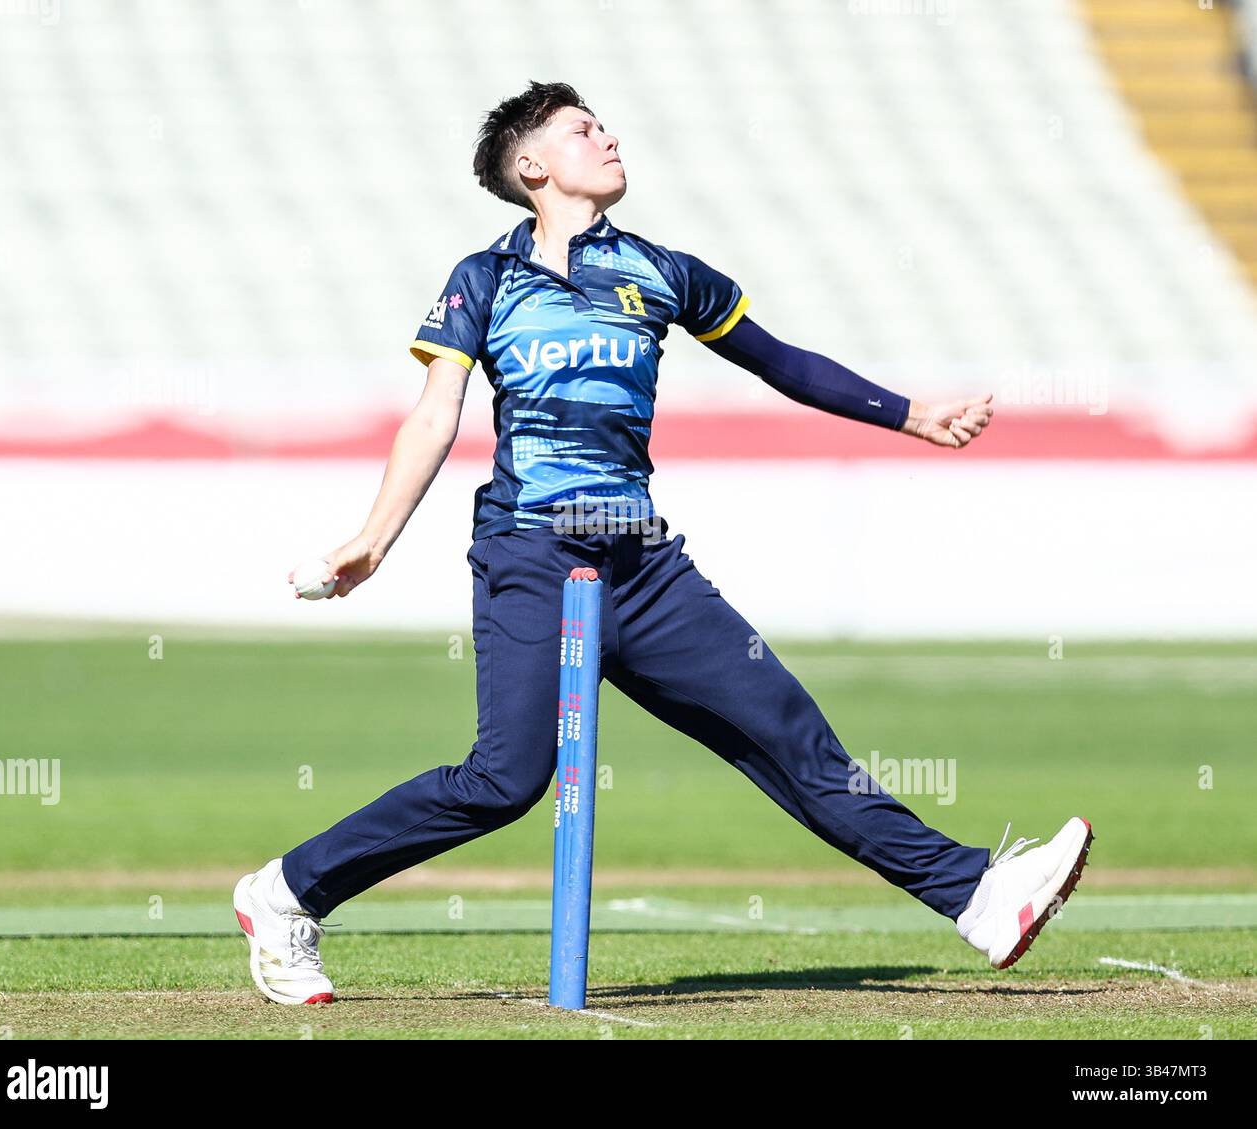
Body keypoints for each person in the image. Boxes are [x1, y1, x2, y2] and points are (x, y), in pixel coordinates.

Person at [232, 81, 1092, 1006]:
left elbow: (782, 361)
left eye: (603, 125)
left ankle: (975, 893)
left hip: (643, 568)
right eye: (581, 130)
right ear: (532, 168)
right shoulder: (480, 279)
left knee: (789, 732)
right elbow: (436, 411)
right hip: (531, 556)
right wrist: (373, 538)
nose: (607, 137)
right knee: (505, 779)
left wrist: (911, 413)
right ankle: (283, 894)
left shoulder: (664, 270)